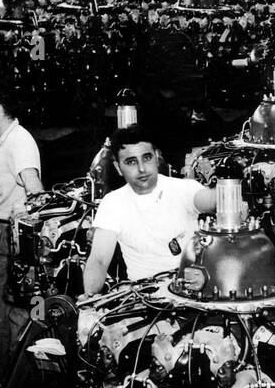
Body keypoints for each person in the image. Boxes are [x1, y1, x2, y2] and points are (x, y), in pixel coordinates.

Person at [82, 126, 217, 293]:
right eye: (131, 162)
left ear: (157, 157)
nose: (141, 169)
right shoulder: (113, 203)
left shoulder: (184, 189)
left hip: (191, 292)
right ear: (118, 167)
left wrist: (227, 193)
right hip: (144, 297)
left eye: (146, 158)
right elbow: (99, 260)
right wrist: (89, 297)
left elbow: (210, 201)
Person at [0, 83, 44, 382]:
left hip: (5, 236)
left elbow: (33, 185)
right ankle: (10, 379)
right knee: (0, 313)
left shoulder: (19, 142)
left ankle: (8, 384)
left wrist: (33, 216)